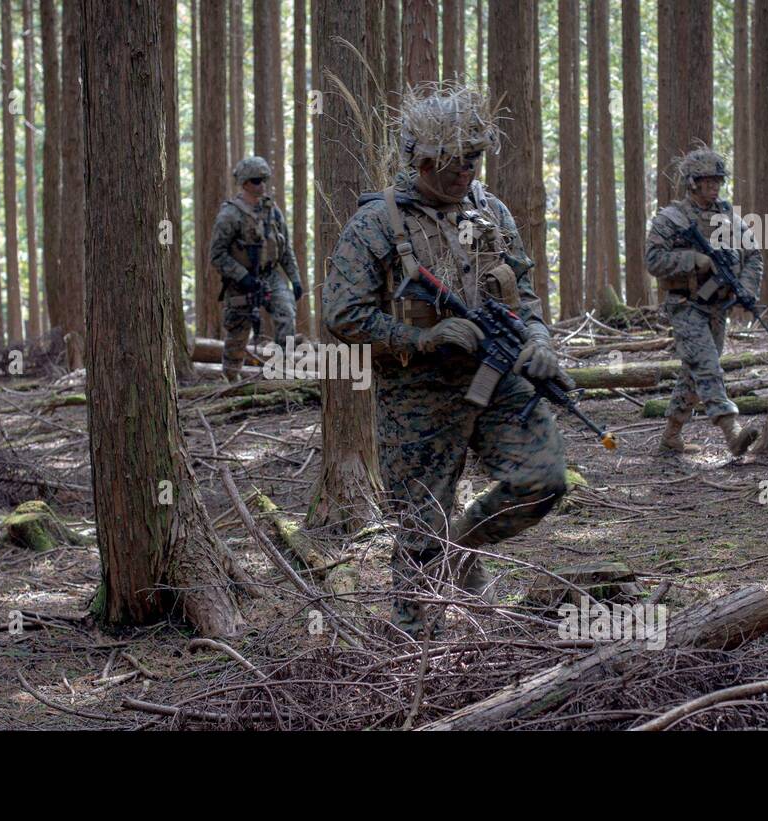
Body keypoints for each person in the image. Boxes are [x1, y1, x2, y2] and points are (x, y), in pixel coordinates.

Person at [322, 84, 569, 639]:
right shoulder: (377, 223)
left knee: (545, 478)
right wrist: (421, 338)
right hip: (418, 397)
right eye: (456, 163)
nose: (467, 173)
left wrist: (538, 339)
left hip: (499, 376)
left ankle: (460, 550)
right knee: (417, 533)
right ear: (424, 160)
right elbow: (341, 314)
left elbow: (523, 290)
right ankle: (412, 654)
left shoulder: (490, 210)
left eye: (475, 160)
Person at [645, 147, 763, 457]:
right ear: (693, 182)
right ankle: (731, 431)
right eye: (708, 181)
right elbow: (653, 260)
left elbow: (753, 256)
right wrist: (693, 260)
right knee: (708, 366)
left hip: (716, 306)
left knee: (694, 371)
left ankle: (671, 436)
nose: (714, 187)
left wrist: (746, 289)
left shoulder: (730, 219)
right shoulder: (671, 219)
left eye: (718, 181)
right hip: (685, 305)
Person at [210, 156, 302, 380]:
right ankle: (231, 381)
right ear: (244, 183)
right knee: (238, 334)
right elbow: (217, 255)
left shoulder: (272, 211)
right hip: (241, 283)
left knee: (286, 314)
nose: (261, 185)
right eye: (256, 181)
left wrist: (295, 279)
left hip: (269, 276)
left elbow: (284, 247)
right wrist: (242, 277)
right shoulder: (229, 215)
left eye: (264, 180)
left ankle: (283, 374)